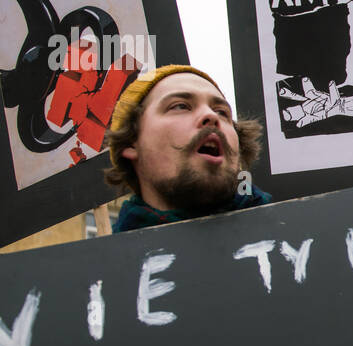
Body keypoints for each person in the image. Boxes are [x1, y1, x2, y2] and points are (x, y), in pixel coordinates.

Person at [104, 65, 271, 232]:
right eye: (180, 106)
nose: (211, 115)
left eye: (222, 112)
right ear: (131, 141)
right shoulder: (106, 257)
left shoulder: (294, 236)